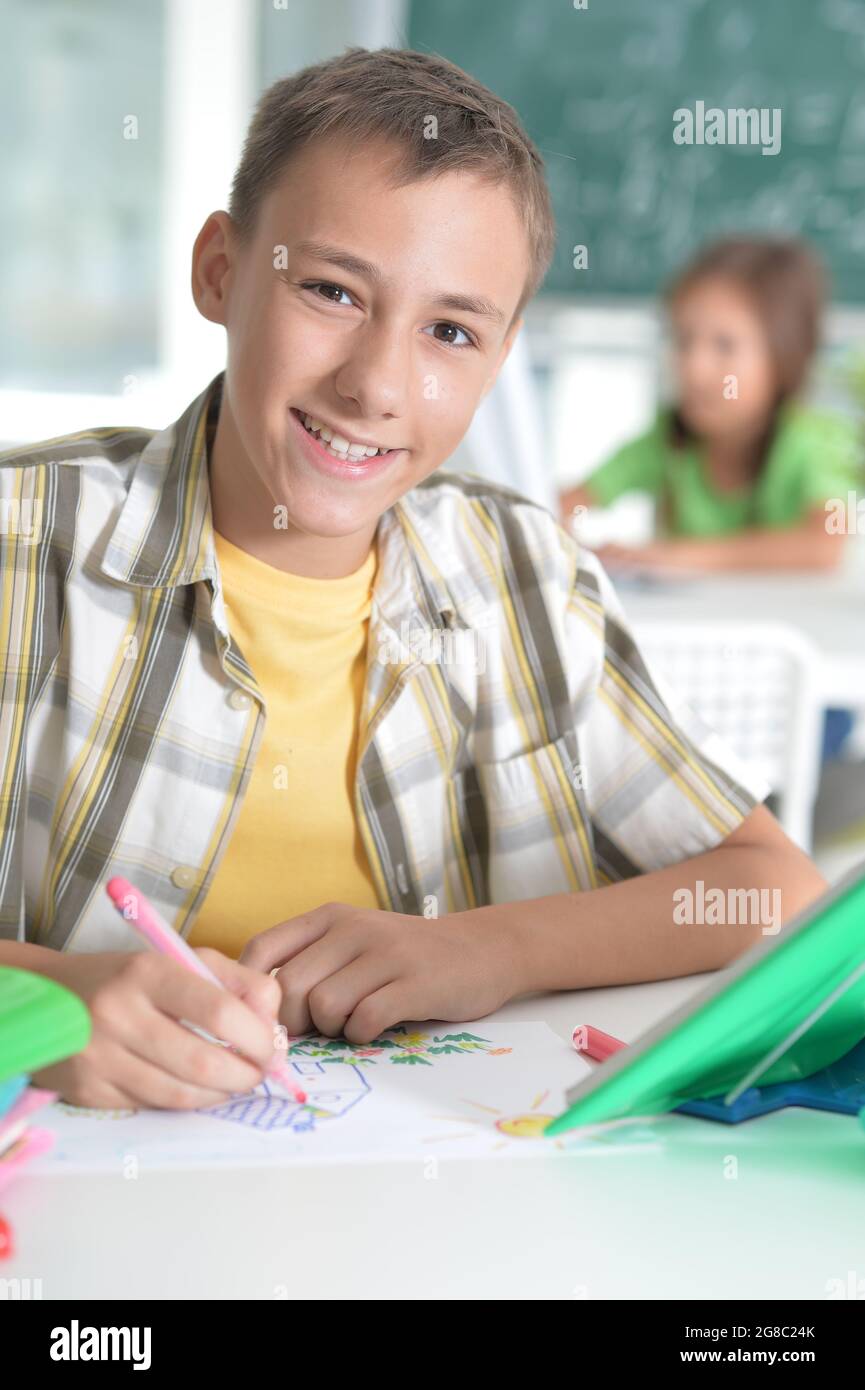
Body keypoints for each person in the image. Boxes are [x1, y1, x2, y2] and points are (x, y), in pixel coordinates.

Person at [0, 51, 825, 1111]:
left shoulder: (523, 577)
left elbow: (768, 888)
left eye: (449, 331)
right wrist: (44, 1002)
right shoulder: (25, 550)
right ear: (219, 270)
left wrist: (493, 948)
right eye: (332, 291)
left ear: (499, 354)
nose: (377, 384)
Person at [559, 238, 862, 573]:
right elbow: (566, 503)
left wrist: (675, 556)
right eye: (683, 340)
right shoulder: (668, 439)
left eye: (724, 345)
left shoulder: (814, 441)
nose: (694, 368)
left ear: (784, 359)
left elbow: (824, 547)